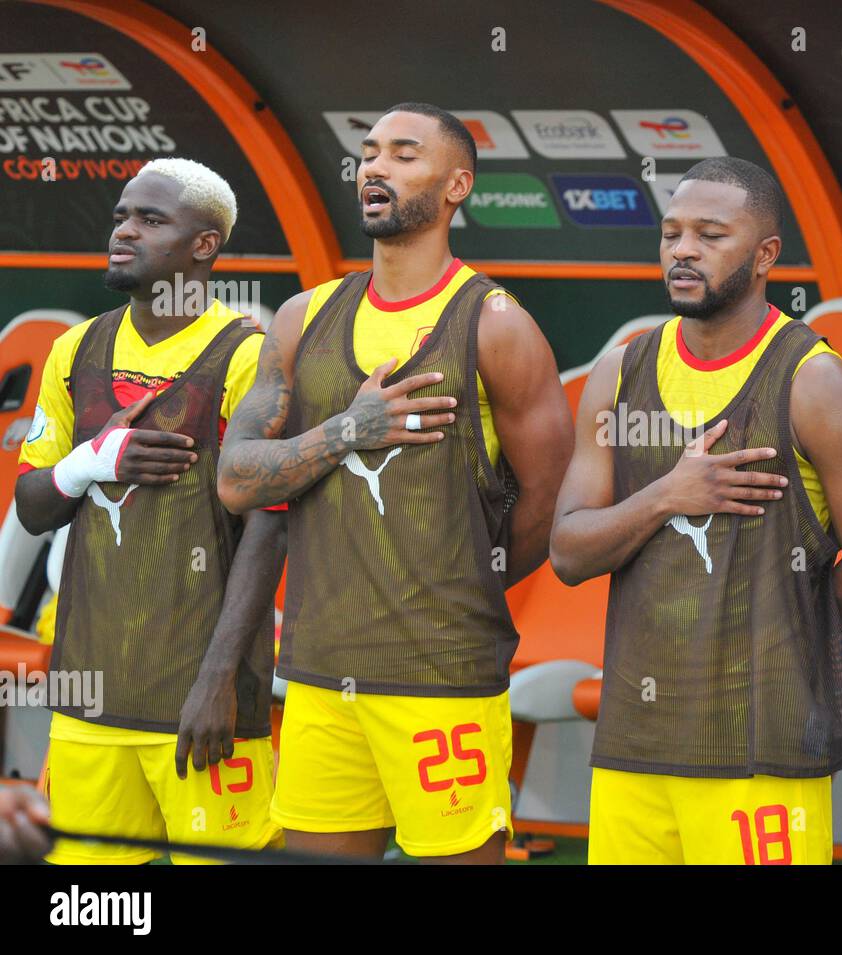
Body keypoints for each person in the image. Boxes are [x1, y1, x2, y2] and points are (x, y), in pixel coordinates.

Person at [218, 103, 572, 863]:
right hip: (317, 671)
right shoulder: (300, 317)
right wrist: (349, 428)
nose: (375, 167)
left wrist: (464, 590)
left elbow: (547, 500)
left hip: (442, 676)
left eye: (404, 155)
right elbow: (236, 482)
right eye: (368, 153)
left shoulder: (497, 323)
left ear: (456, 187)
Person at [550, 156, 842, 864]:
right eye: (672, 233)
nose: (683, 249)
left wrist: (777, 632)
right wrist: (665, 496)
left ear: (766, 254)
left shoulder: (814, 379)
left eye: (710, 235)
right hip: (638, 734)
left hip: (761, 741)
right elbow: (568, 550)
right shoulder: (618, 371)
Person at [14, 158, 284, 864]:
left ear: (204, 245)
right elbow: (33, 505)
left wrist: (219, 680)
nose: (124, 231)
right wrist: (88, 462)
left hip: (203, 700)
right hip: (89, 697)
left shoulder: (248, 355)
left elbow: (269, 525)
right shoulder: (76, 348)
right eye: (121, 217)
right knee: (95, 905)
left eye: (150, 220)